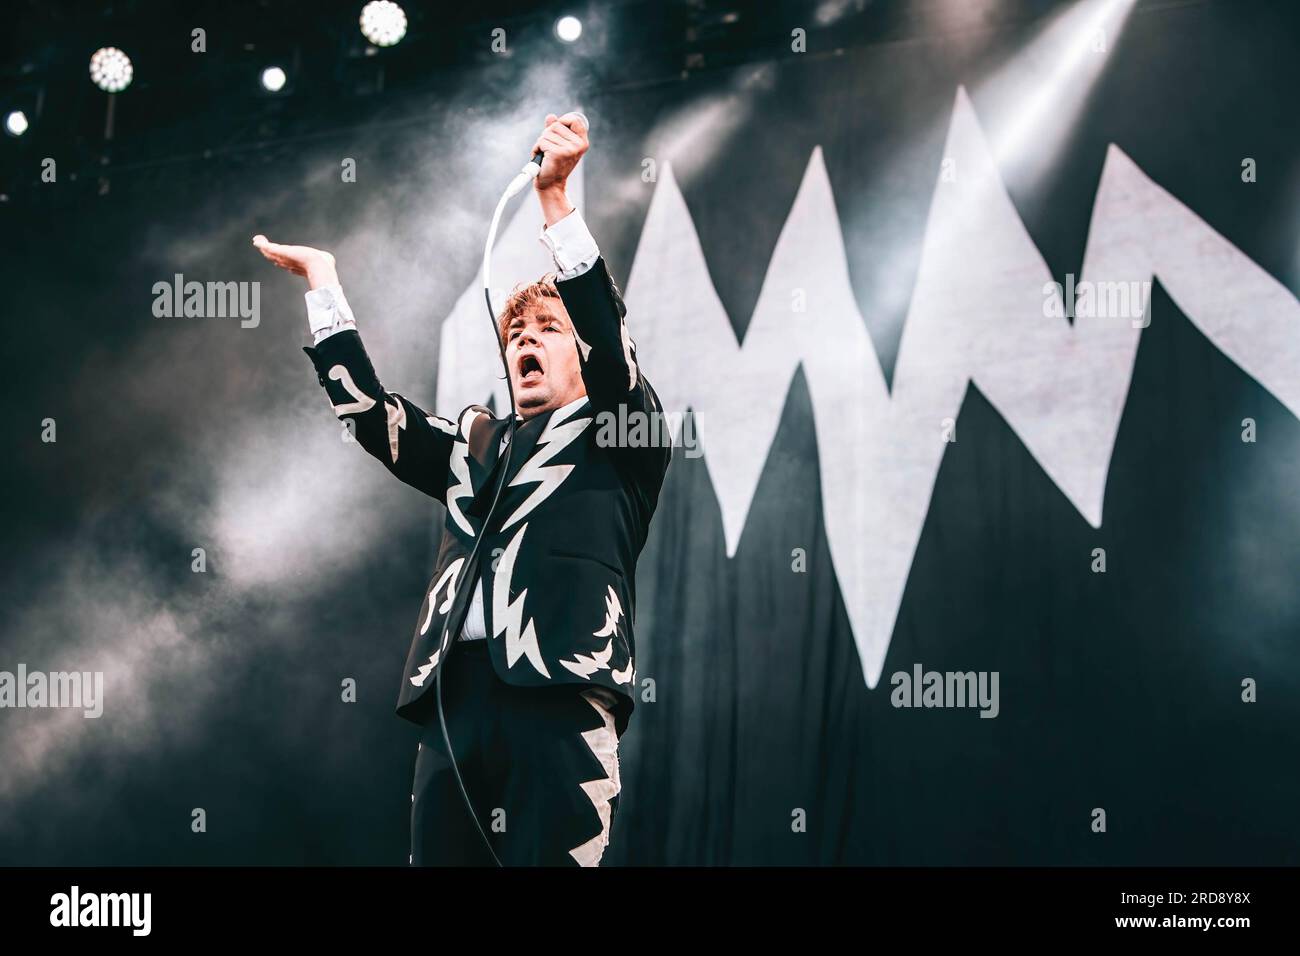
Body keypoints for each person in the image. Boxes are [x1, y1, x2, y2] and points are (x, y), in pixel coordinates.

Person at [253, 113, 670, 865]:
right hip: (455, 702)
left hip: (560, 692)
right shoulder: (475, 446)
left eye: (546, 329)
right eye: (515, 334)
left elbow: (609, 343)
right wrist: (325, 288)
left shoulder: (621, 432)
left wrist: (555, 203)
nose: (525, 342)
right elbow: (374, 417)